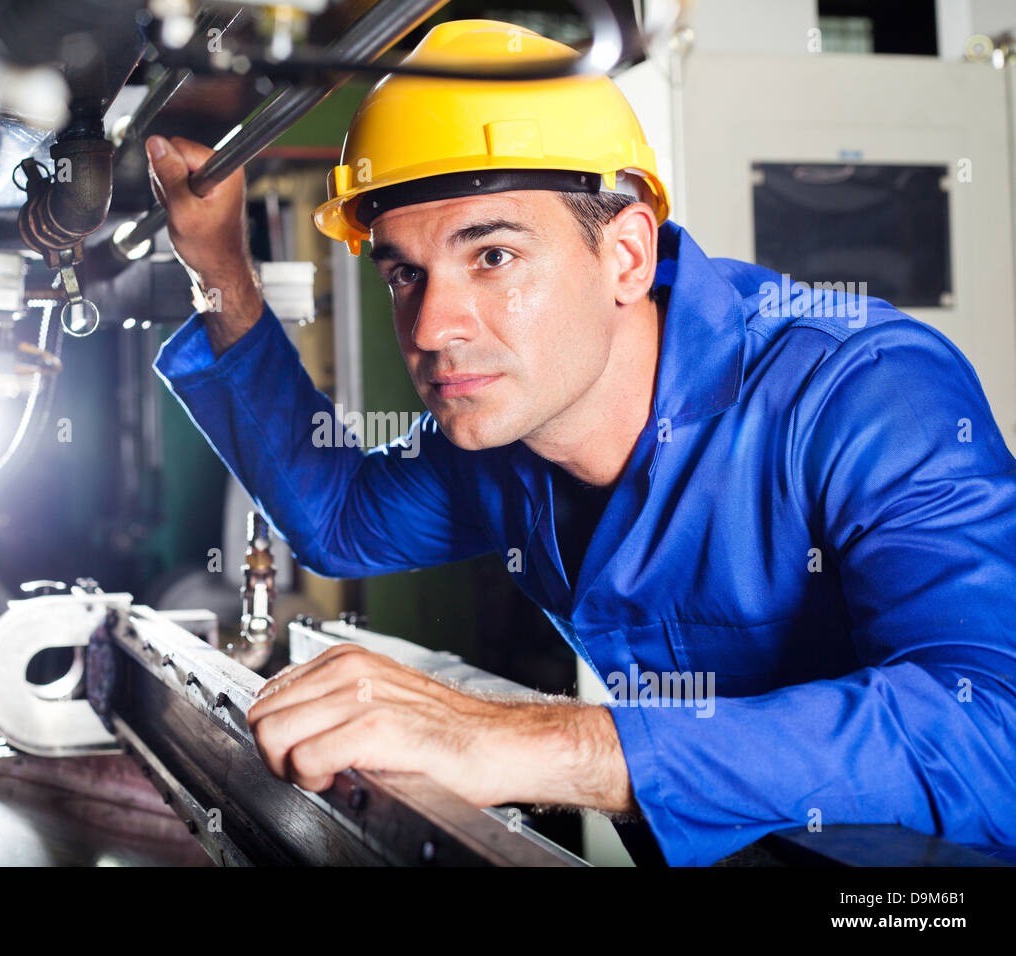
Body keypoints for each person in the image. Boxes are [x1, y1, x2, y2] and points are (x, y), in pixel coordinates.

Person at [148, 19, 1016, 866]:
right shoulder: (500, 437)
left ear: (627, 256)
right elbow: (337, 519)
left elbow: (994, 731)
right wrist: (220, 272)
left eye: (492, 256)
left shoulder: (860, 391)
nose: (435, 327)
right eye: (405, 272)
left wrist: (540, 742)